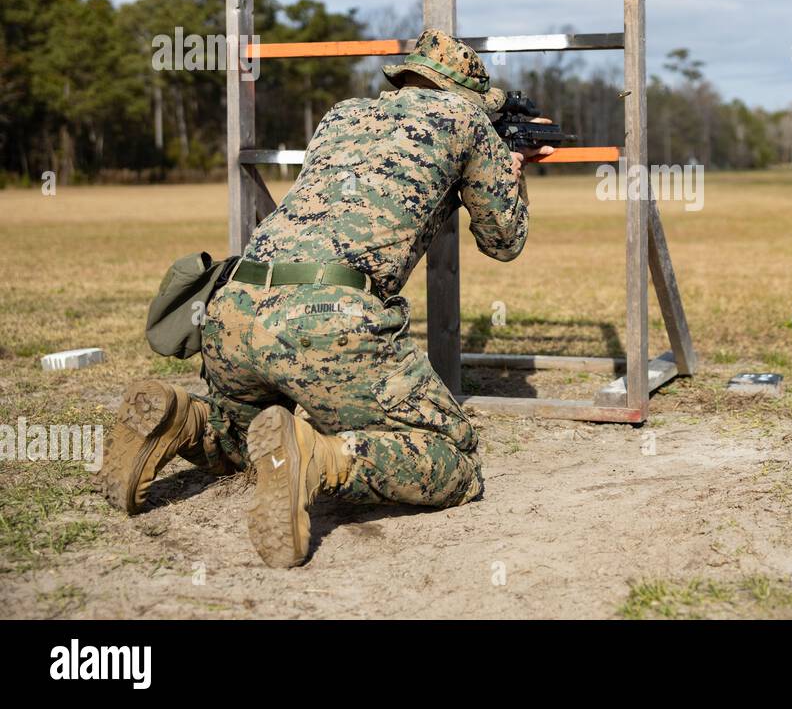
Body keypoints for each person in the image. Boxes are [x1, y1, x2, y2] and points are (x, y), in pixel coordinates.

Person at [102, 28, 549, 567]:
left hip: (234, 308)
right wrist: (510, 170)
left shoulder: (341, 114)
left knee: (240, 437)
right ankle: (321, 457)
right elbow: (504, 242)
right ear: (467, 93)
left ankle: (184, 420)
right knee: (451, 460)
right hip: (331, 321)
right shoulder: (468, 121)